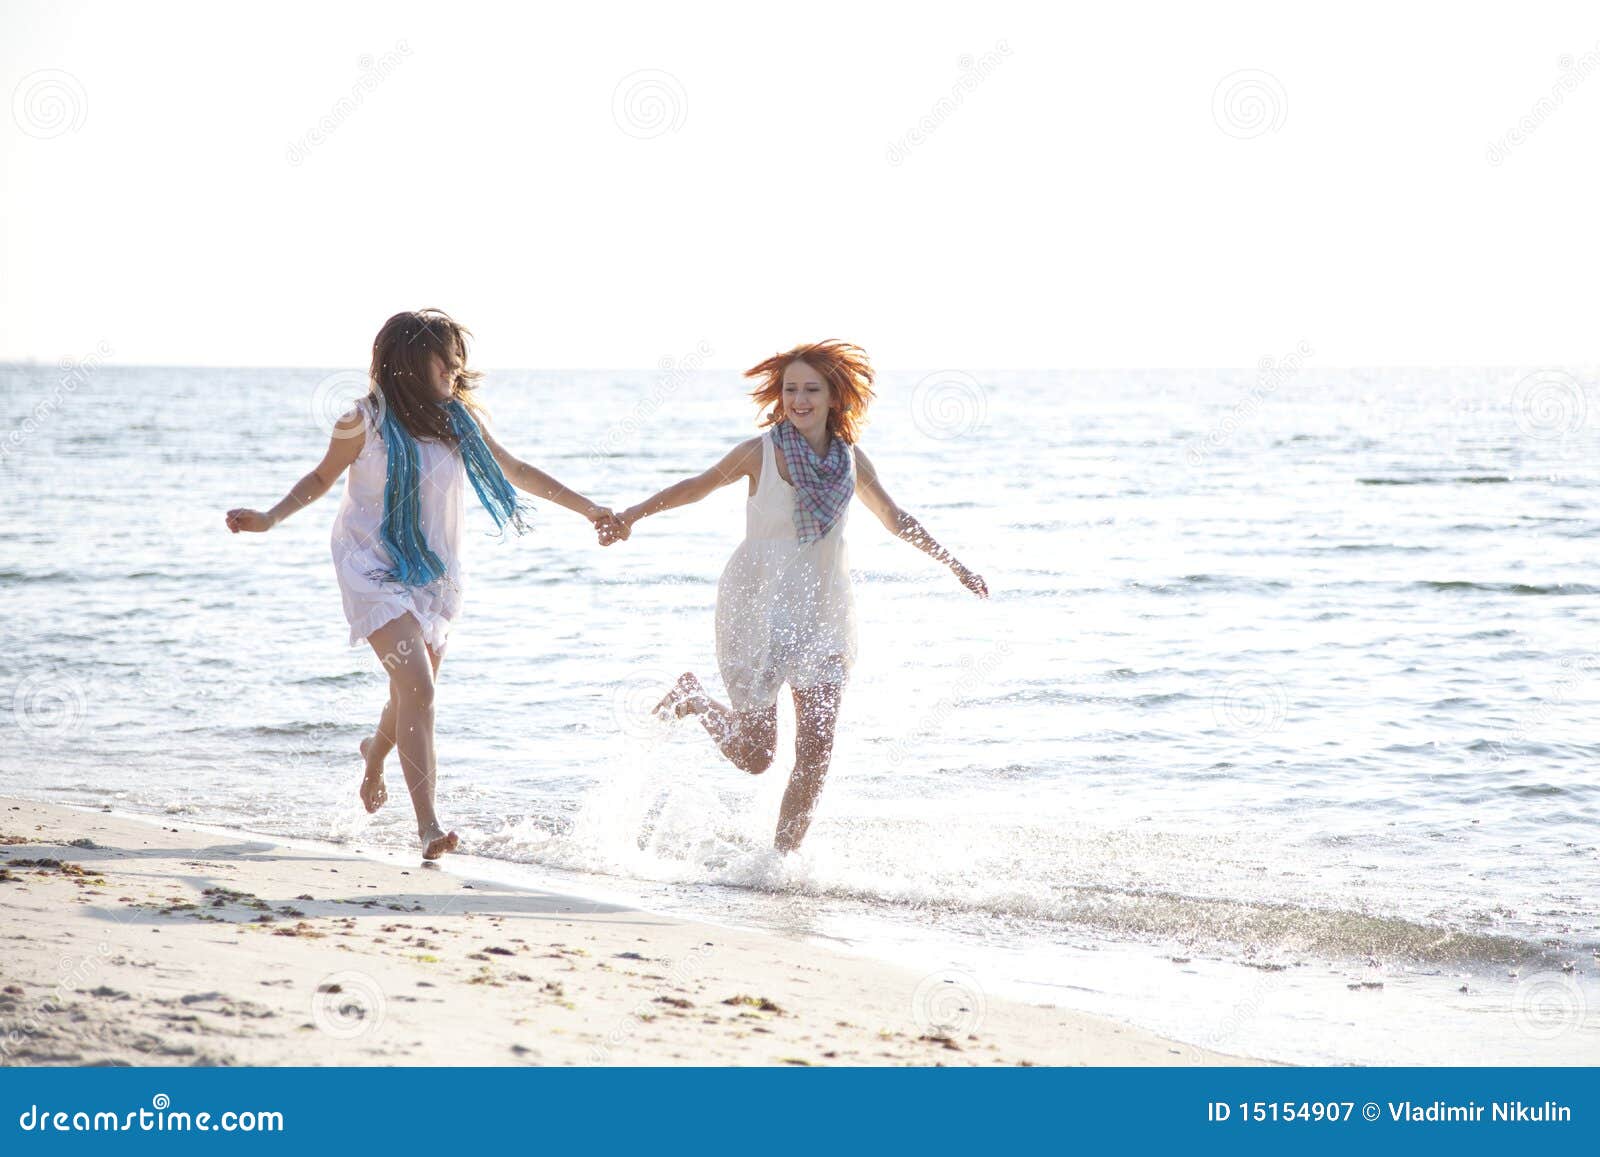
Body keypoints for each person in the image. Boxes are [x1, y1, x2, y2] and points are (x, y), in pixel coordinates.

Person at [225, 309, 623, 859]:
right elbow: (321, 478)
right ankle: (429, 826)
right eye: (447, 358)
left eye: (459, 361)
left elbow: (517, 470)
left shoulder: (456, 419)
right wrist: (270, 518)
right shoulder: (362, 419)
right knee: (420, 687)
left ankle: (373, 753)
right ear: (413, 361)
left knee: (410, 689)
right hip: (370, 565)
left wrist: (588, 509)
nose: (456, 370)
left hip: (435, 571)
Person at [606, 340, 987, 852]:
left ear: (835, 398)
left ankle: (781, 863)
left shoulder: (851, 461)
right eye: (790, 389)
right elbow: (695, 487)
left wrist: (953, 563)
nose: (799, 399)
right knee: (756, 756)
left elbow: (896, 518)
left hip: (825, 614)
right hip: (757, 608)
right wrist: (629, 515)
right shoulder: (759, 452)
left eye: (812, 389)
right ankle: (694, 697)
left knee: (817, 750)